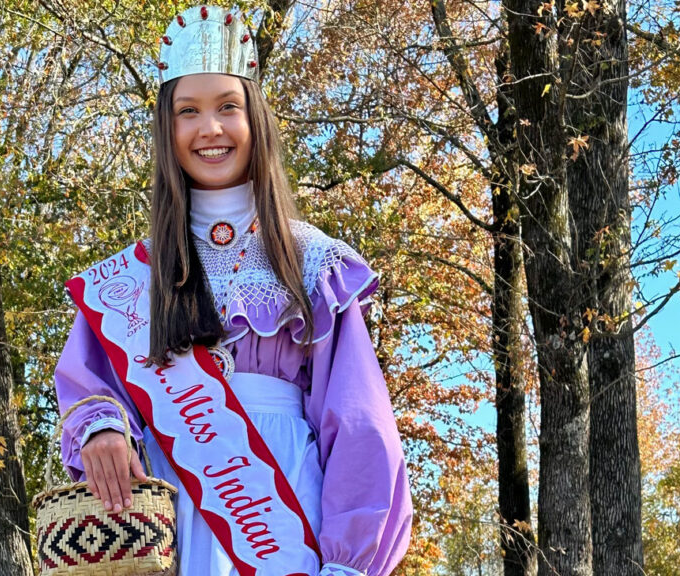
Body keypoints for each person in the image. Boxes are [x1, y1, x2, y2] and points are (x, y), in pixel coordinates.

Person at [53, 5, 412, 575]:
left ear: (255, 120)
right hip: (168, 517)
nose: (210, 129)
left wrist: (350, 562)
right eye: (188, 111)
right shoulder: (129, 280)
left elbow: (360, 425)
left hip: (286, 517)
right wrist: (101, 430)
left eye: (227, 107)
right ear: (167, 130)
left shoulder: (311, 262)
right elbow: (88, 386)